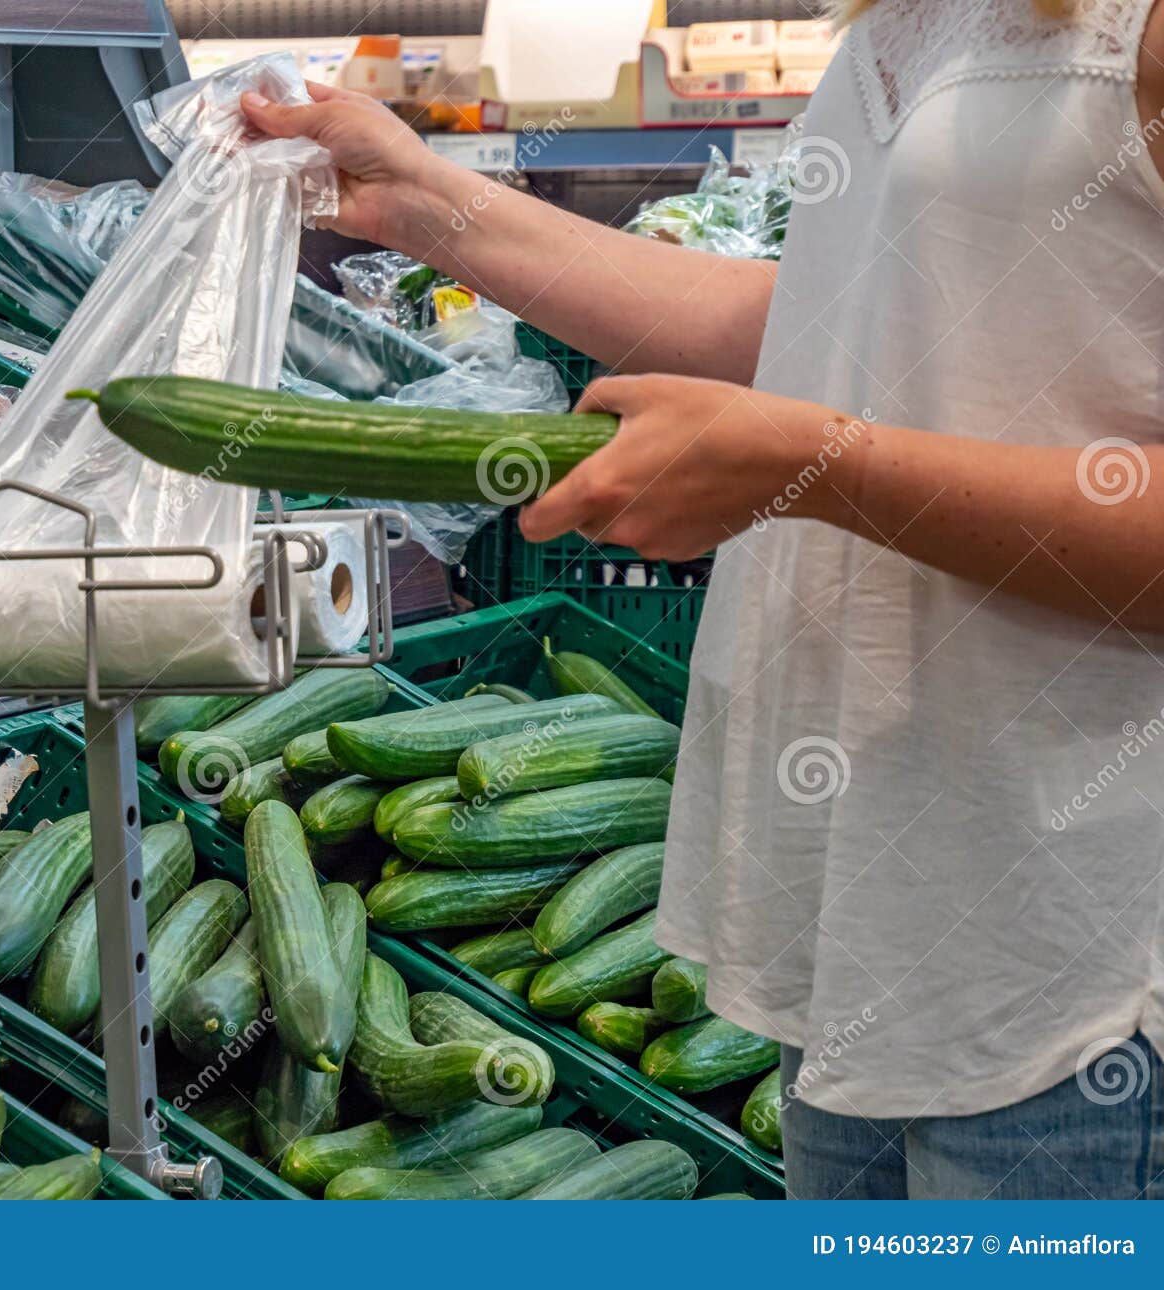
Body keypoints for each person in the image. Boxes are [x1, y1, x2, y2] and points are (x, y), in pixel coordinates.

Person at [243, 0, 1164, 1200]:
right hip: (862, 920)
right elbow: (824, 325)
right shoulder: (920, 19)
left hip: (1082, 965)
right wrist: (423, 202)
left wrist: (813, 465)